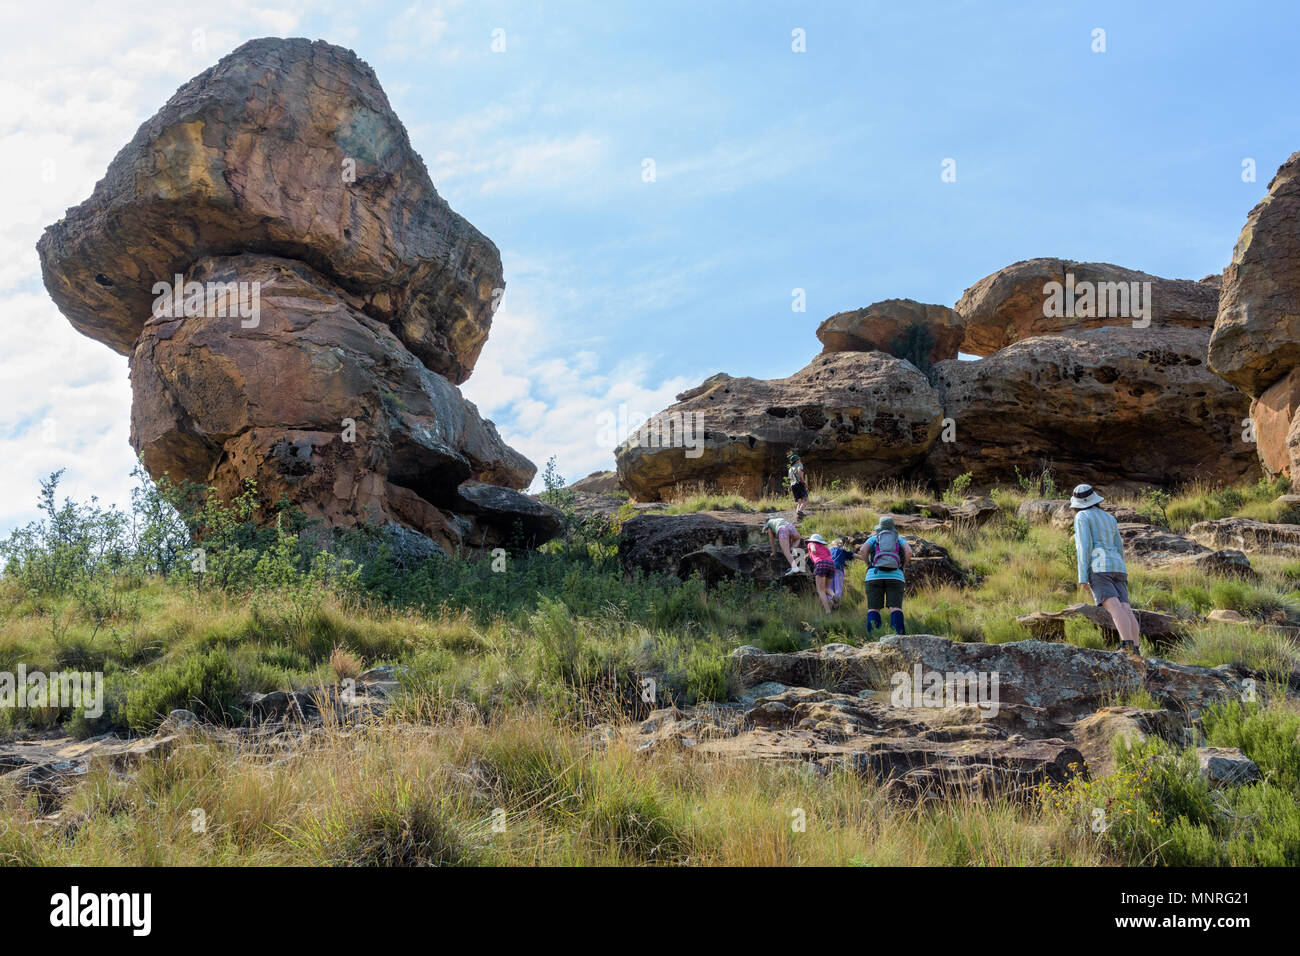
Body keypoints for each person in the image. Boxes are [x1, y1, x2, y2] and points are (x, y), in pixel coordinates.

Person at [1070, 483, 1142, 657]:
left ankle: (1126, 646)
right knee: (1125, 607)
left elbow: (1084, 547)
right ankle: (1136, 649)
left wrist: (1082, 576)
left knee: (1114, 607)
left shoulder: (1082, 517)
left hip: (1099, 567)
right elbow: (1118, 545)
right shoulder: (1109, 518)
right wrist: (1120, 566)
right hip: (1118, 566)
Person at [857, 515, 913, 637]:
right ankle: (898, 638)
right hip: (895, 576)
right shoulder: (899, 539)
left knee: (873, 609)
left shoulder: (873, 539)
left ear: (879, 528)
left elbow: (862, 550)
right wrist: (902, 566)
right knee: (895, 608)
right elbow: (909, 552)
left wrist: (868, 564)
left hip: (874, 575)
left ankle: (873, 638)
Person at [806, 534, 835, 613]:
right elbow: (829, 557)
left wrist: (813, 550)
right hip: (831, 565)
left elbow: (813, 549)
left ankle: (827, 611)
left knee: (820, 590)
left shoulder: (811, 543)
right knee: (826, 588)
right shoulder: (825, 548)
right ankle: (834, 596)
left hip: (821, 564)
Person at [828, 537, 856, 608]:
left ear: (832, 544)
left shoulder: (828, 550)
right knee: (838, 588)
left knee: (829, 588)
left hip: (828, 570)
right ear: (840, 544)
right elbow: (854, 556)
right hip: (838, 570)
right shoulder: (843, 549)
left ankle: (829, 604)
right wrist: (864, 558)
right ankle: (836, 605)